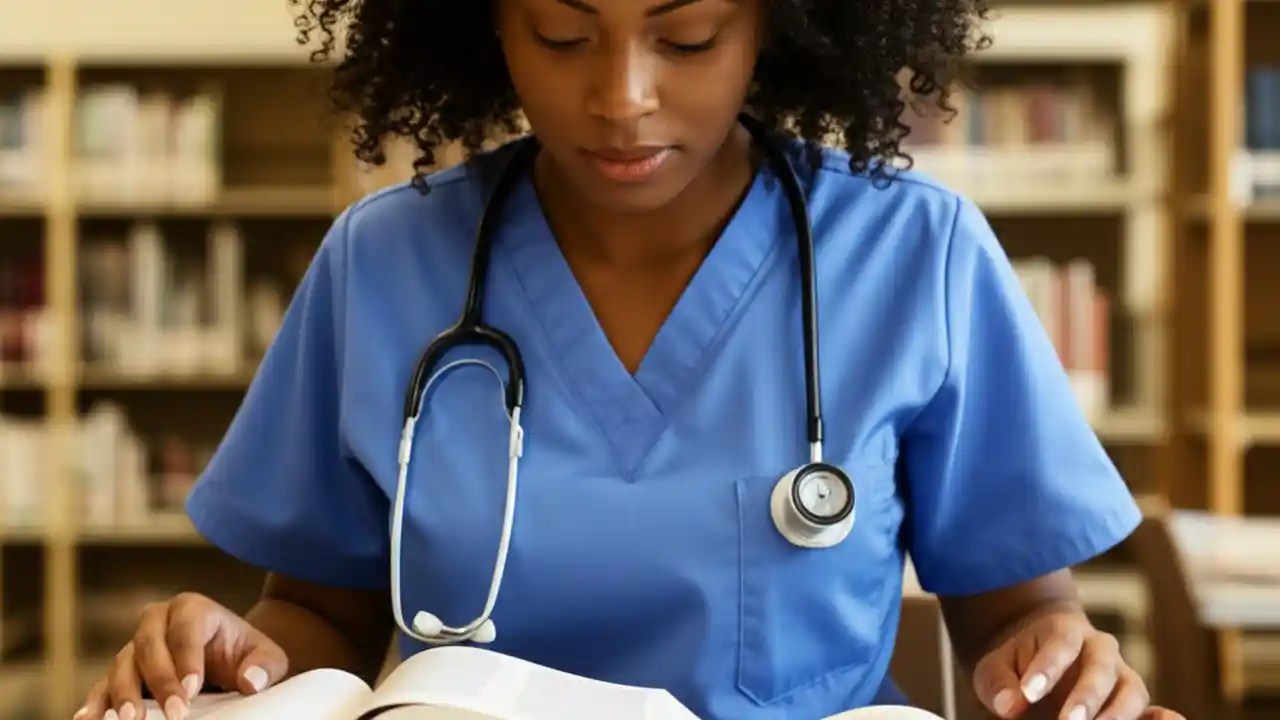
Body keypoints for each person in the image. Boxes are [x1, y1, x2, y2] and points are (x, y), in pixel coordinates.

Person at [76, 1, 1183, 719]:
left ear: (778, 24)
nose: (621, 98)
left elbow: (1011, 620)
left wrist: (1060, 669)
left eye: (688, 36)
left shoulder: (913, 255)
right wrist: (231, 661)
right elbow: (321, 613)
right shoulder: (383, 262)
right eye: (560, 35)